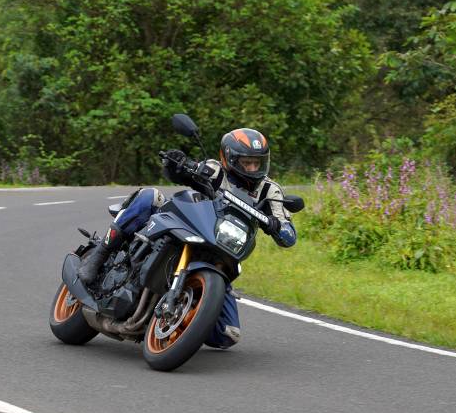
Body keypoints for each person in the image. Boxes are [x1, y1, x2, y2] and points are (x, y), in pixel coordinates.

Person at [76, 127, 297, 349]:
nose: (252, 168)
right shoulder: (215, 169)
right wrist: (177, 164)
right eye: (246, 162)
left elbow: (289, 235)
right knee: (150, 196)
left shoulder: (270, 191)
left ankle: (178, 318)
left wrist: (278, 226)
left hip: (223, 248)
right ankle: (101, 252)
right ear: (229, 158)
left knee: (227, 336)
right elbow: (186, 172)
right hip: (194, 225)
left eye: (256, 163)